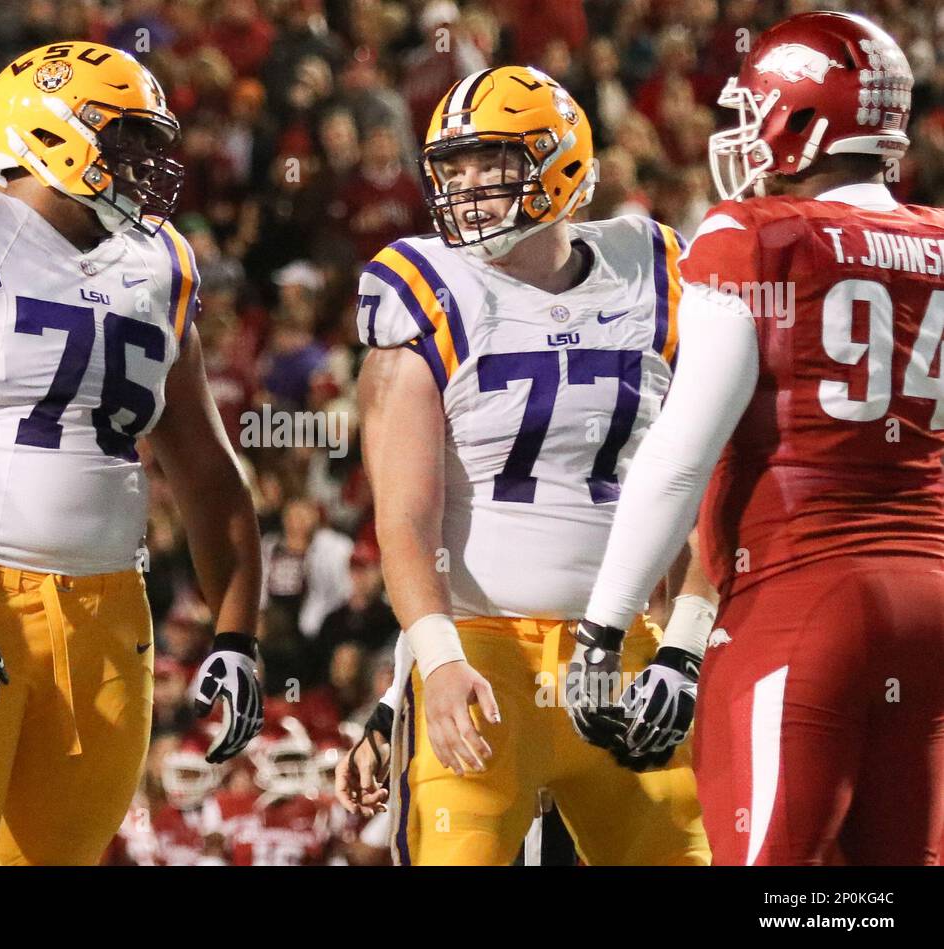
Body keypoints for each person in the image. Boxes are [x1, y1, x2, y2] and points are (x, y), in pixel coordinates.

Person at [0, 42, 264, 865]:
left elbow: (207, 470)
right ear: (50, 131)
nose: (147, 162)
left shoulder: (163, 261)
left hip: (109, 612)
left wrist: (239, 631)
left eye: (152, 141)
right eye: (127, 138)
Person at [574, 12, 944, 865]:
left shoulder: (760, 236)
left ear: (804, 120)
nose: (741, 135)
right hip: (928, 598)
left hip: (805, 600)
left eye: (757, 111)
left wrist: (605, 629)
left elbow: (680, 455)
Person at [346, 66, 711, 865]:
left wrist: (686, 647)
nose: (468, 185)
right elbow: (405, 518)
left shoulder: (655, 268)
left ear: (561, 163)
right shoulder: (424, 286)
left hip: (622, 653)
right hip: (481, 656)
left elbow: (697, 488)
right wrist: (423, 670)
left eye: (491, 162)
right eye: (455, 166)